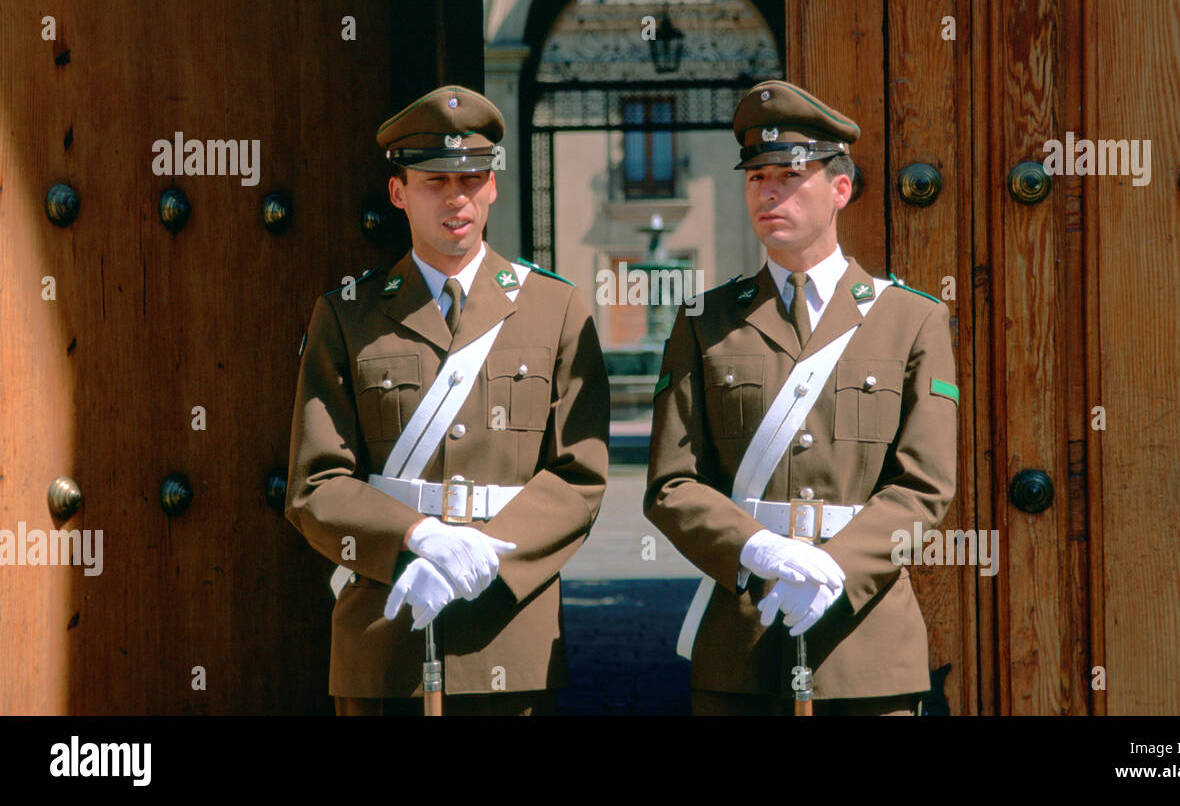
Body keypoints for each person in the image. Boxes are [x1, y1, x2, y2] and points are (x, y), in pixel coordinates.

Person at [285, 85, 609, 715]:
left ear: (492, 187)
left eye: (472, 178)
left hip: (507, 637)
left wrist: (481, 557)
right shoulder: (347, 315)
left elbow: (582, 476)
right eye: (434, 181)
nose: (455, 197)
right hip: (384, 632)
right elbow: (315, 483)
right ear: (397, 192)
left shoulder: (555, 308)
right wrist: (417, 536)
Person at [644, 79, 958, 715]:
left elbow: (925, 484)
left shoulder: (909, 320)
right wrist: (756, 549)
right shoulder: (705, 320)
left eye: (790, 172)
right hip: (742, 646)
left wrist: (838, 569)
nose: (769, 190)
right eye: (757, 176)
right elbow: (671, 483)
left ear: (840, 188)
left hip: (864, 648)